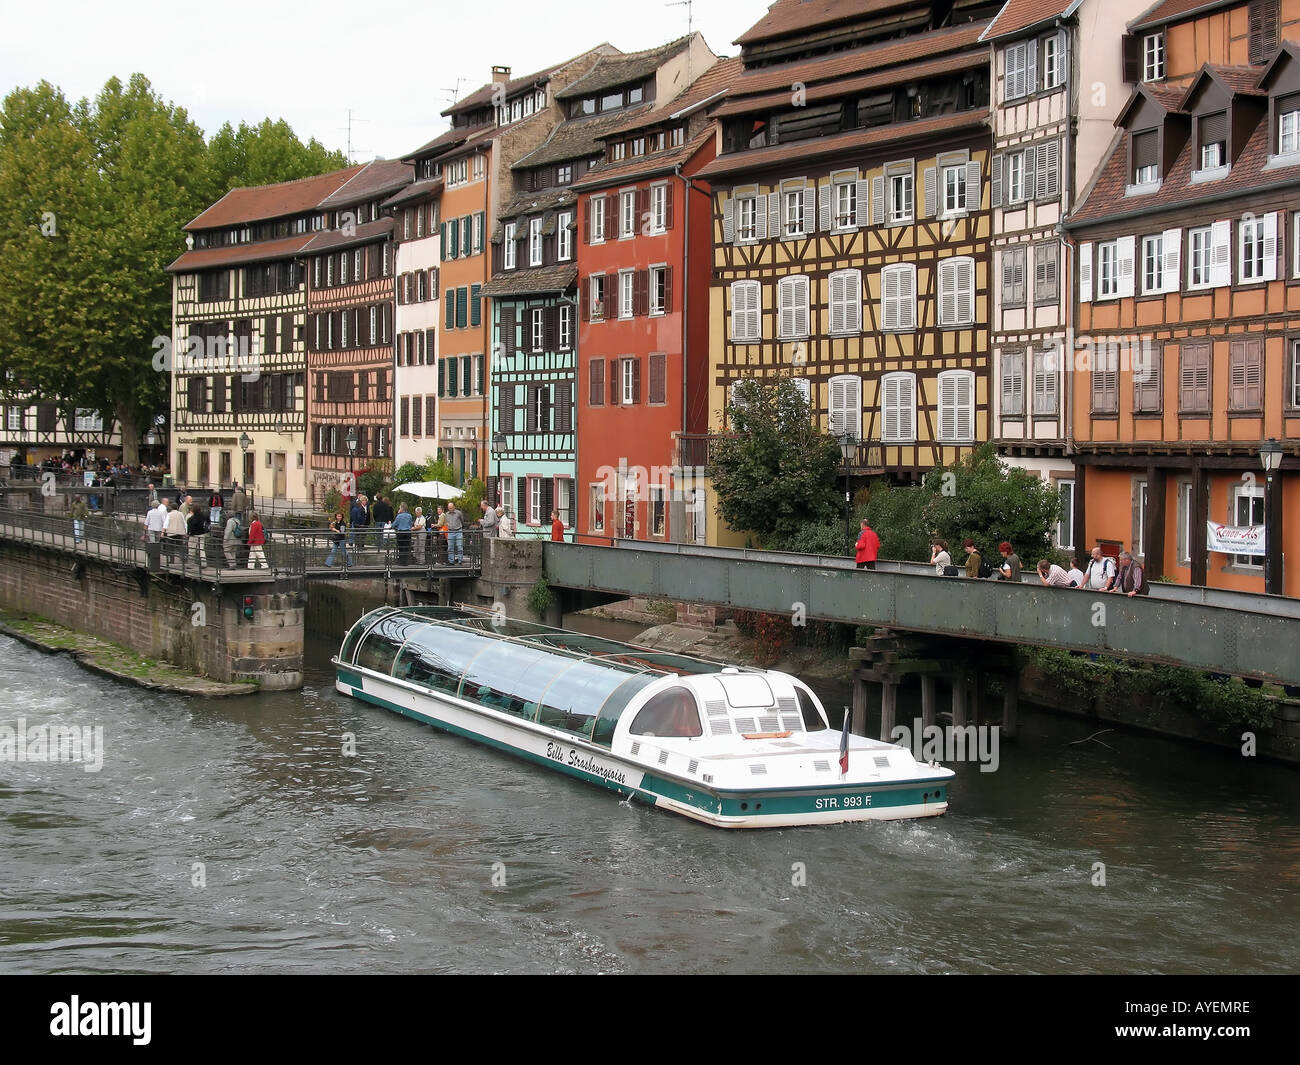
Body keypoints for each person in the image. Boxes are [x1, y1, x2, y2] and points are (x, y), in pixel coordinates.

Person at [164, 501, 187, 565]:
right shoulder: (181, 514)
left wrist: (163, 532)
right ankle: (182, 558)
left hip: (171, 532)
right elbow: (184, 523)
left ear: (171, 508)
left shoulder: (169, 514)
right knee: (180, 546)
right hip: (180, 532)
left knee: (171, 547)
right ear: (177, 507)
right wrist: (186, 531)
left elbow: (166, 524)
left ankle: (172, 560)